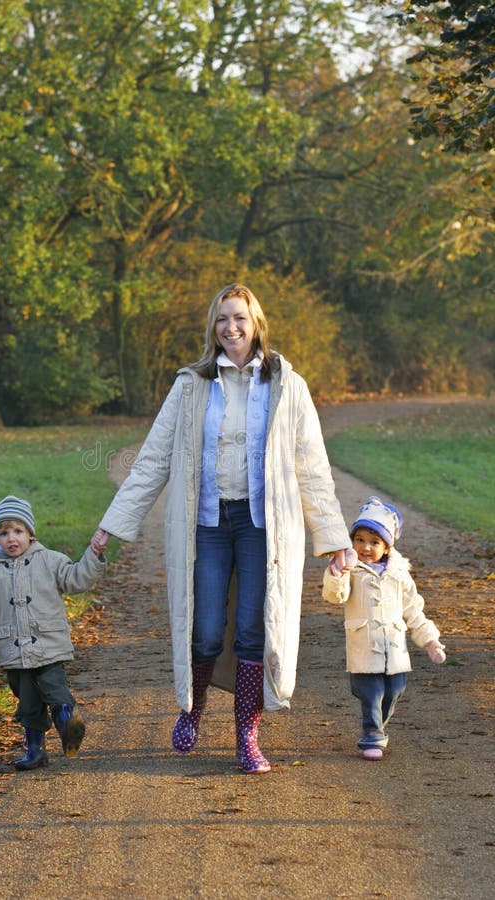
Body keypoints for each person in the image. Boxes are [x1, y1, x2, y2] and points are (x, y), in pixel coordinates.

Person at [91, 282, 352, 774]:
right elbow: (152, 460)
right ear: (212, 327)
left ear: (256, 324)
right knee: (207, 629)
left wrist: (334, 539)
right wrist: (113, 525)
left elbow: (311, 466)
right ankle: (192, 710)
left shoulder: (285, 384)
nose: (231, 327)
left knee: (255, 629)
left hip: (262, 526)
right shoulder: (191, 384)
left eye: (240, 318)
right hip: (209, 523)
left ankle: (246, 736)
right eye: (221, 319)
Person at [0, 495, 106, 771]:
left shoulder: (50, 561)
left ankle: (68, 723)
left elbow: (77, 578)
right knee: (27, 701)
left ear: (30, 534)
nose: (11, 538)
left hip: (48, 644)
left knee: (54, 687)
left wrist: (94, 554)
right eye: (3, 533)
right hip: (12, 650)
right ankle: (35, 749)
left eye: (17, 531)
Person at [322, 495, 446, 761]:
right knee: (372, 693)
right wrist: (337, 573)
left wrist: (430, 641)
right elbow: (335, 597)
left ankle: (378, 727)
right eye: (360, 540)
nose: (366, 547)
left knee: (394, 690)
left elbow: (413, 609)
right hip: (364, 646)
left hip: (395, 648)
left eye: (374, 542)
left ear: (387, 547)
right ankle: (372, 734)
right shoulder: (350, 569)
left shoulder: (399, 573)